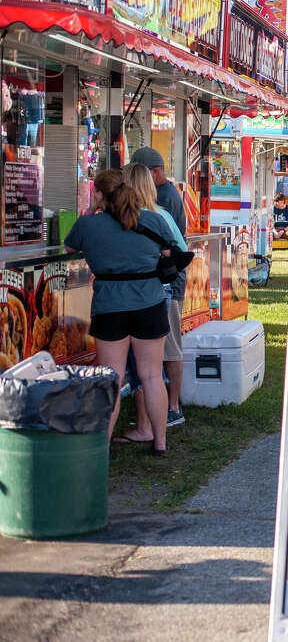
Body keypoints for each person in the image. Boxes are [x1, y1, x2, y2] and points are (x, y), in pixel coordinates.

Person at [64, 169, 174, 455]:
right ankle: (160, 442)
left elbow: (68, 247)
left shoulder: (88, 225)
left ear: (100, 194)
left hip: (110, 306)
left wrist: (91, 210)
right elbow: (168, 255)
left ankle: (104, 443)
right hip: (149, 302)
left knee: (111, 374)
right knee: (151, 375)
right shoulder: (152, 220)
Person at [116, 163, 187, 448]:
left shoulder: (124, 219)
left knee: (142, 365)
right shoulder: (162, 216)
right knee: (153, 364)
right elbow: (180, 253)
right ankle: (162, 420)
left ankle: (155, 418)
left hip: (138, 295)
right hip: (160, 291)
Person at [139, 147, 186, 428]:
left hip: (167, 283)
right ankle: (163, 408)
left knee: (169, 349)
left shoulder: (162, 200)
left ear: (153, 173)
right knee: (164, 350)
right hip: (166, 282)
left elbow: (177, 250)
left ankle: (172, 408)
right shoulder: (164, 195)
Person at [271, 193, 288, 260]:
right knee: (265, 232)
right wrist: (274, 232)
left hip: (286, 229)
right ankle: (265, 255)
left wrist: (282, 231)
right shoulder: (272, 209)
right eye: (275, 202)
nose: (276, 204)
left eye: (278, 202)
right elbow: (269, 223)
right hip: (275, 229)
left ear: (283, 201)